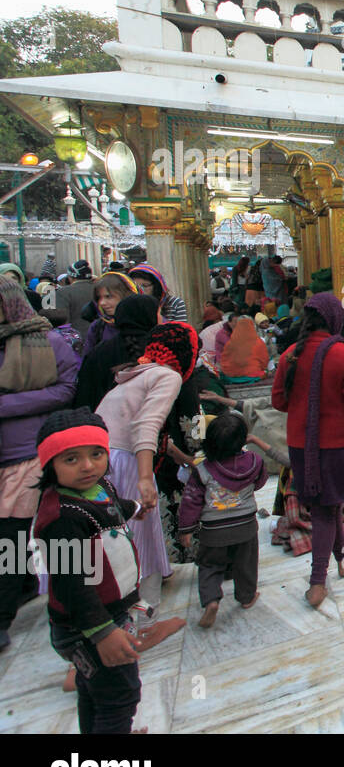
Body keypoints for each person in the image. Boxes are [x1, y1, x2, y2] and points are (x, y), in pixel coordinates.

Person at [32, 409, 147, 733]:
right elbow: (72, 585)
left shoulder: (96, 487)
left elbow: (112, 505)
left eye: (96, 454)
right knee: (120, 695)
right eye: (71, 459)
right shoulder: (62, 518)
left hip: (104, 616)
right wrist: (103, 633)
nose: (87, 466)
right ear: (50, 464)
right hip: (87, 625)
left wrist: (135, 508)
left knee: (93, 689)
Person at [94, 322, 197, 652]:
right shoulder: (168, 377)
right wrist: (142, 478)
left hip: (102, 465)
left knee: (113, 548)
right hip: (127, 467)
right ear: (186, 354)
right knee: (143, 547)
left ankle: (99, 634)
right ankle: (143, 628)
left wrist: (184, 460)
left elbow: (138, 429)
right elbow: (146, 426)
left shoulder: (132, 375)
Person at [271, 292, 344, 609]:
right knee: (326, 510)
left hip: (302, 446)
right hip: (335, 445)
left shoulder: (290, 354)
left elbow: (279, 401)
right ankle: (318, 581)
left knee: (327, 506)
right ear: (334, 320)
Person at [0, 278, 81, 651]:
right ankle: (27, 587)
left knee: (13, 539)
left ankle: (3, 616)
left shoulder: (46, 342)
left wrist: (7, 406)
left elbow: (67, 388)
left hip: (27, 455)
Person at [178, 413, 272, 628]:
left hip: (213, 531)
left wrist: (186, 529)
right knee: (246, 563)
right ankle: (247, 597)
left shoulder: (202, 470)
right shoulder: (254, 462)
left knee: (210, 564)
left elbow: (191, 501)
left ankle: (211, 600)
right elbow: (261, 482)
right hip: (246, 526)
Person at [83, 272, 141, 354]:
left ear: (126, 295)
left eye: (108, 297)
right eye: (99, 297)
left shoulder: (147, 322)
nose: (102, 303)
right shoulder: (98, 327)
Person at [218, 315, 270, 382]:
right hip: (252, 375)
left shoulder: (230, 343)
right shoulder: (258, 342)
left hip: (232, 376)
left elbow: (224, 361)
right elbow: (264, 362)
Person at [55, 260, 98, 339]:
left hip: (77, 340)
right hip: (100, 337)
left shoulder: (63, 292)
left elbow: (62, 319)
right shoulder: (100, 289)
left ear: (70, 277)